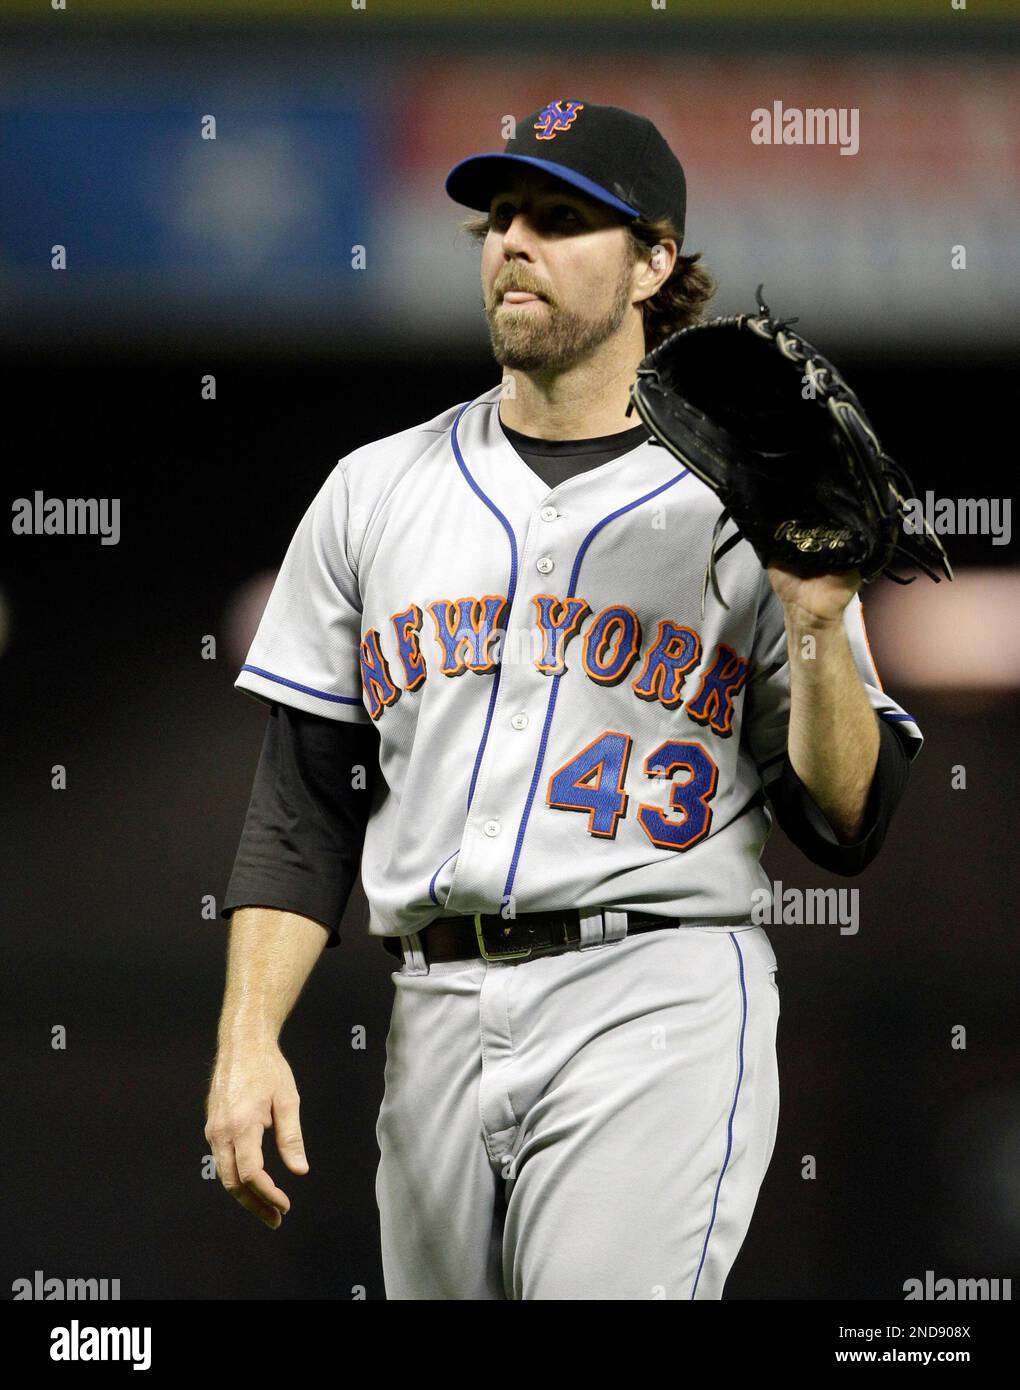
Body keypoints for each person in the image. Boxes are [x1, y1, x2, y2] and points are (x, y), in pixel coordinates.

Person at [205, 101, 915, 1300]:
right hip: (430, 1006)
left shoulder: (751, 499)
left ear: (654, 262)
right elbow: (304, 811)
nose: (514, 242)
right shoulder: (374, 490)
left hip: (653, 991)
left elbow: (848, 820)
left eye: (562, 217)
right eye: (500, 216)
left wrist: (814, 613)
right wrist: (244, 1039)